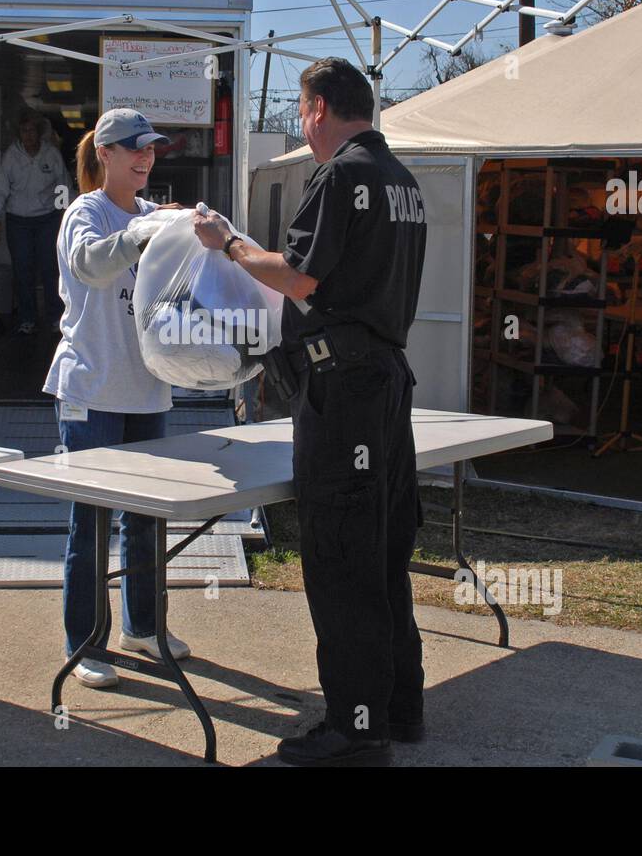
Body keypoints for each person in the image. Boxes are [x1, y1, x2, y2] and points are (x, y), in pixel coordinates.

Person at [193, 58, 428, 766]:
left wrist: (226, 245)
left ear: (320, 108)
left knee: (341, 557)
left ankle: (356, 732)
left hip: (346, 396)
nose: (303, 125)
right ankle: (397, 708)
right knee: (384, 552)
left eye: (301, 112)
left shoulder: (344, 176)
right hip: (387, 385)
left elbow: (297, 278)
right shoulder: (404, 183)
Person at [43, 107, 192, 689]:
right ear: (104, 155)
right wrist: (141, 233)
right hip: (90, 389)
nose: (146, 157)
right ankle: (84, 645)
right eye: (134, 148)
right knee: (92, 523)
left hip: (147, 389)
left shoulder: (157, 213)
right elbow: (90, 265)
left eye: (151, 148)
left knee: (147, 519)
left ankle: (144, 628)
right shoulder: (87, 211)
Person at [0, 109, 71, 335]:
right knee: (23, 270)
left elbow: (63, 185)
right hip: (18, 222)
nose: (28, 135)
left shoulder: (51, 154)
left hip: (48, 219)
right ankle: (27, 319)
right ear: (19, 133)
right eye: (24, 131)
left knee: (50, 270)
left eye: (32, 130)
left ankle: (55, 317)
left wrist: (68, 215)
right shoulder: (11, 156)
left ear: (39, 133)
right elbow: (0, 188)